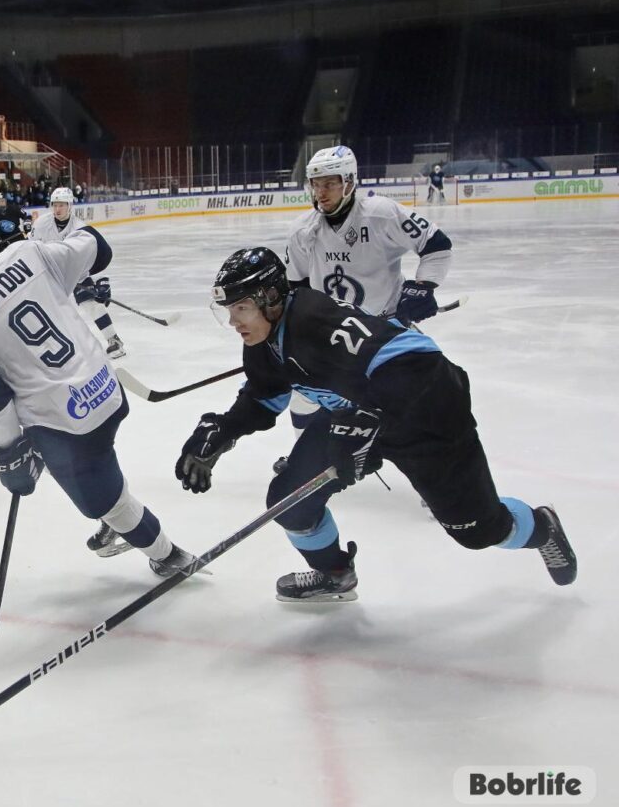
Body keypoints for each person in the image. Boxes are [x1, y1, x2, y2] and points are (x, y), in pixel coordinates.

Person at [176, 247, 577, 601]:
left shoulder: (317, 322)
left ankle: (541, 526)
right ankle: (335, 574)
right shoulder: (263, 342)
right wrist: (223, 431)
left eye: (241, 308)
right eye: (228, 311)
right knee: (291, 500)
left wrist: (370, 422)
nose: (233, 321)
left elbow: (419, 359)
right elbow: (265, 395)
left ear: (270, 298)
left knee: (475, 530)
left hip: (428, 414)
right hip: (354, 415)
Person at [0, 207, 196, 577]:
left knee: (105, 502)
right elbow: (99, 247)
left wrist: (11, 453)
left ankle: (169, 555)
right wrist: (74, 279)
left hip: (66, 427)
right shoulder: (29, 253)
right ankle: (117, 505)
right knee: (103, 462)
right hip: (106, 391)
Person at [278, 145, 453, 469]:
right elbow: (297, 287)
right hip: (332, 332)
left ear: (349, 181)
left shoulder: (381, 214)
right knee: (303, 392)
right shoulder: (303, 230)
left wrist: (422, 287)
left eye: (329, 183)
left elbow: (437, 245)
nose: (321, 192)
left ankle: (439, 471)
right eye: (316, 184)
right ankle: (303, 461)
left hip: (384, 331)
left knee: (418, 398)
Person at [32, 186, 124, 359]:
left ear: (70, 206)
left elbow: (95, 256)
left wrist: (102, 281)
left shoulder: (80, 229)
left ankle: (114, 341)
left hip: (77, 273)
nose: (57, 209)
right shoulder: (41, 224)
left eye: (62, 205)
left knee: (91, 305)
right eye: (55, 205)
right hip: (49, 275)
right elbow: (31, 249)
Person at [0, 192, 31, 258]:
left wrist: (27, 227)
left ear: (6, 201)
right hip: (4, 238)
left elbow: (27, 215)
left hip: (17, 236)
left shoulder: (14, 208)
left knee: (25, 252)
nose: (0, 203)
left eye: (2, 201)